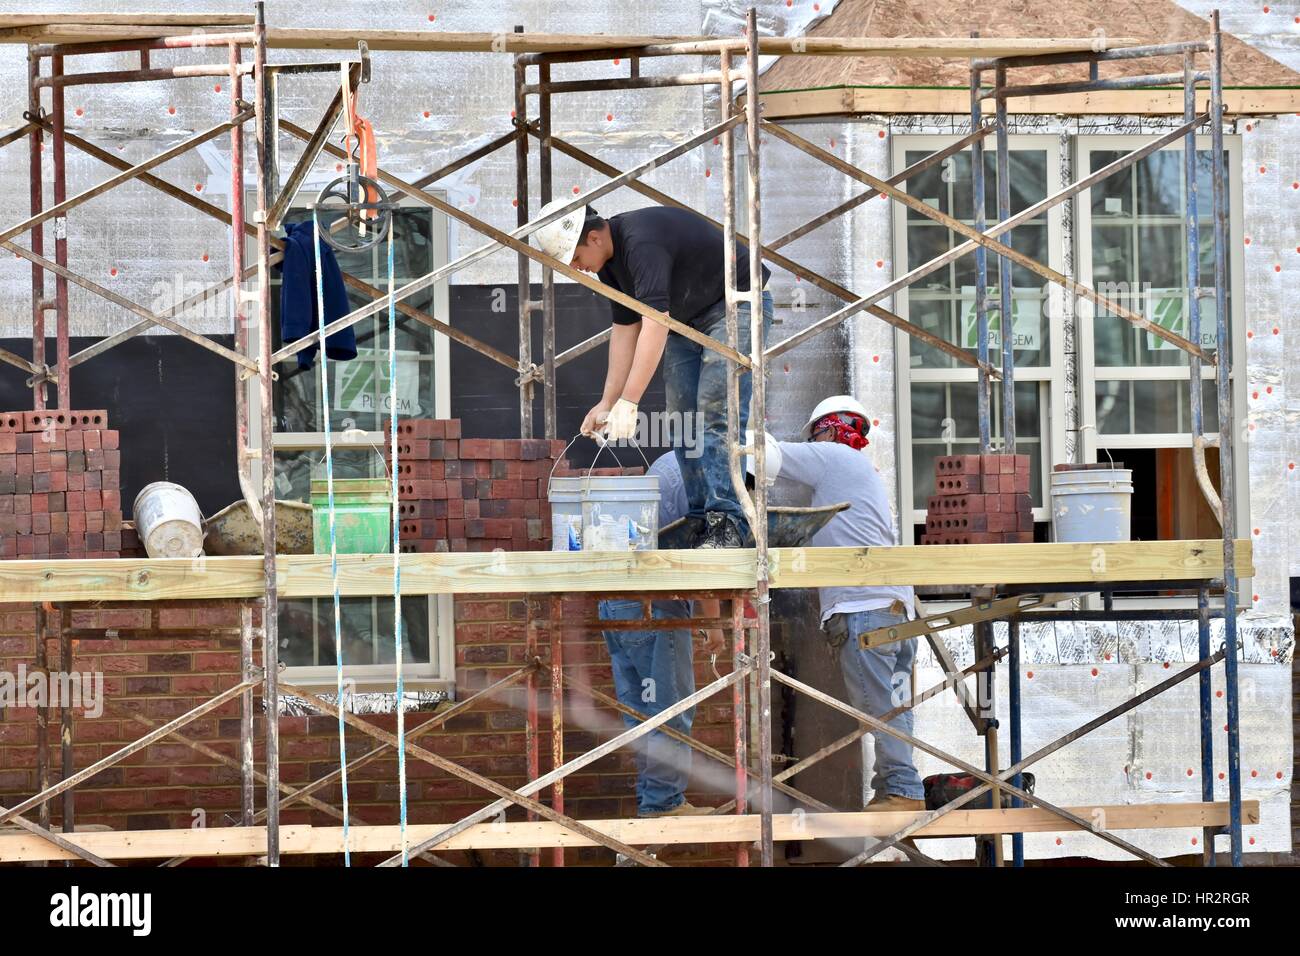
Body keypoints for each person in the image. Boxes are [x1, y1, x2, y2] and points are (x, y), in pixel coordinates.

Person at [534, 201, 773, 549]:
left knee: (715, 413)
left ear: (596, 237)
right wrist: (609, 401)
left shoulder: (641, 243)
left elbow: (656, 323)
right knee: (681, 422)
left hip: (735, 303)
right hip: (687, 318)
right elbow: (625, 328)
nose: (575, 267)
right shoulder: (610, 267)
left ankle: (728, 522)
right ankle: (701, 520)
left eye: (574, 256)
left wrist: (630, 402)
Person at [774, 396, 925, 813]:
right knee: (892, 706)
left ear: (830, 428)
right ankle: (896, 787)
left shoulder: (835, 457)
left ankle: (902, 790)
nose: (816, 442)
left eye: (818, 434)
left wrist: (721, 443)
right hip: (894, 608)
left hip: (865, 611)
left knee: (879, 710)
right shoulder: (863, 475)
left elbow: (766, 454)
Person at [597, 451, 712, 817]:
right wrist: (711, 620)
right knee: (670, 710)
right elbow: (711, 554)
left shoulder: (667, 464)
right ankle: (663, 802)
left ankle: (653, 801)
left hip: (616, 602)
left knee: (642, 713)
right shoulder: (706, 475)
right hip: (657, 607)